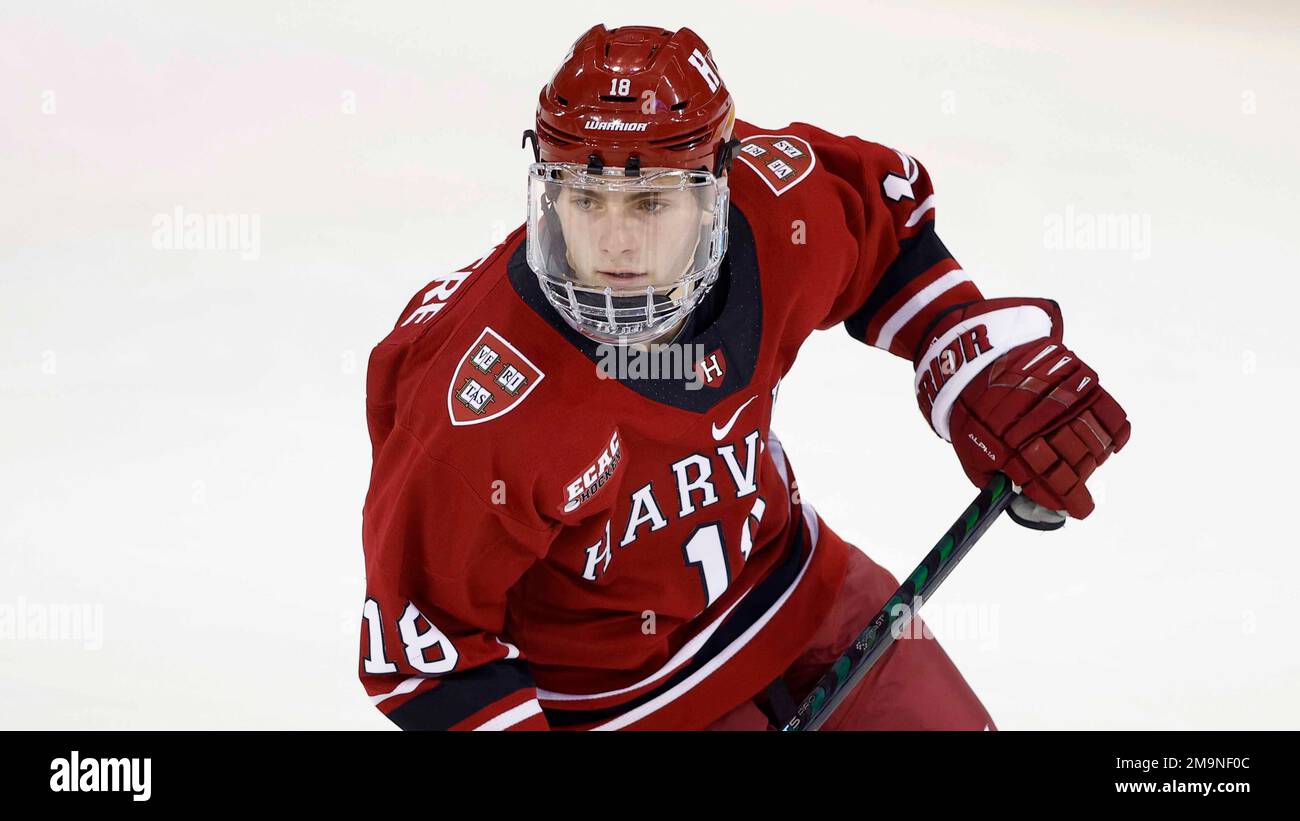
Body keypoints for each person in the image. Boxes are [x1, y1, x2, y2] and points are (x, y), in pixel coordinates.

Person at [358, 24, 1131, 730]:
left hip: (800, 589)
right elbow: (420, 655)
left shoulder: (775, 207)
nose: (614, 243)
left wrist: (968, 357)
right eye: (585, 198)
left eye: (653, 202)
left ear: (716, 187)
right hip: (620, 705)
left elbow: (883, 232)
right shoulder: (480, 404)